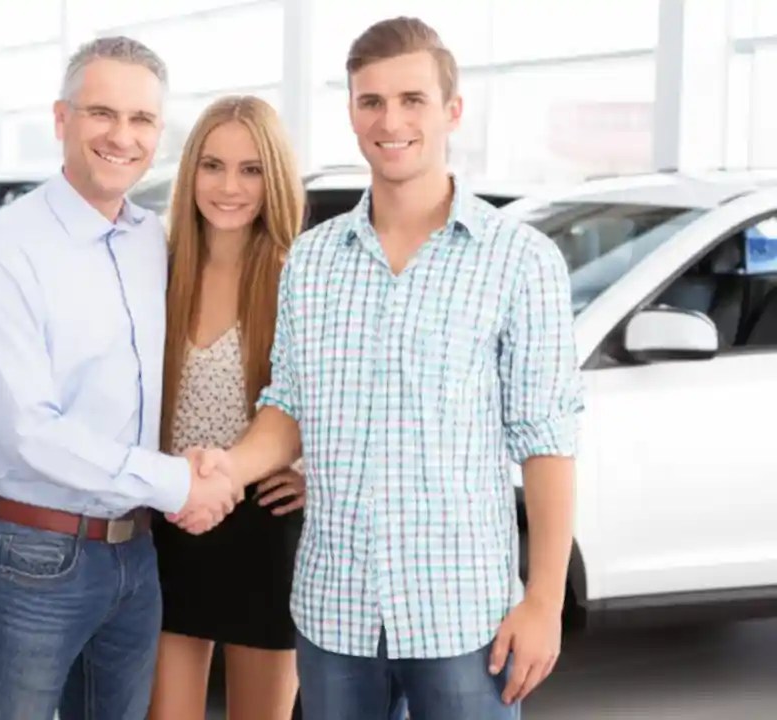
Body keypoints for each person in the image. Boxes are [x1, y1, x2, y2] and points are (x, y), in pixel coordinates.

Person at [190, 16, 584, 719]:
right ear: (351, 113)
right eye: (371, 101)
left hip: (464, 621)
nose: (390, 120)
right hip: (334, 614)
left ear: (452, 111)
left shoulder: (520, 260)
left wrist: (545, 601)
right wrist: (227, 468)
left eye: (412, 100)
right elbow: (287, 411)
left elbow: (547, 440)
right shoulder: (312, 260)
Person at [0, 36, 240, 720]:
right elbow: (30, 433)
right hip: (28, 554)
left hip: (135, 553)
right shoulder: (2, 252)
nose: (122, 136)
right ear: (61, 120)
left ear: (158, 133)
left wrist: (236, 461)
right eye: (102, 113)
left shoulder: (147, 241)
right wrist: (179, 482)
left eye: (141, 120)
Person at [148, 96, 308, 720]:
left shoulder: (298, 276)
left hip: (262, 532)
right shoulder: (156, 271)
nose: (229, 187)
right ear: (190, 173)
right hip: (167, 523)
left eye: (250, 169)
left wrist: (311, 476)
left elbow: (336, 398)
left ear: (275, 178)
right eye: (213, 165)